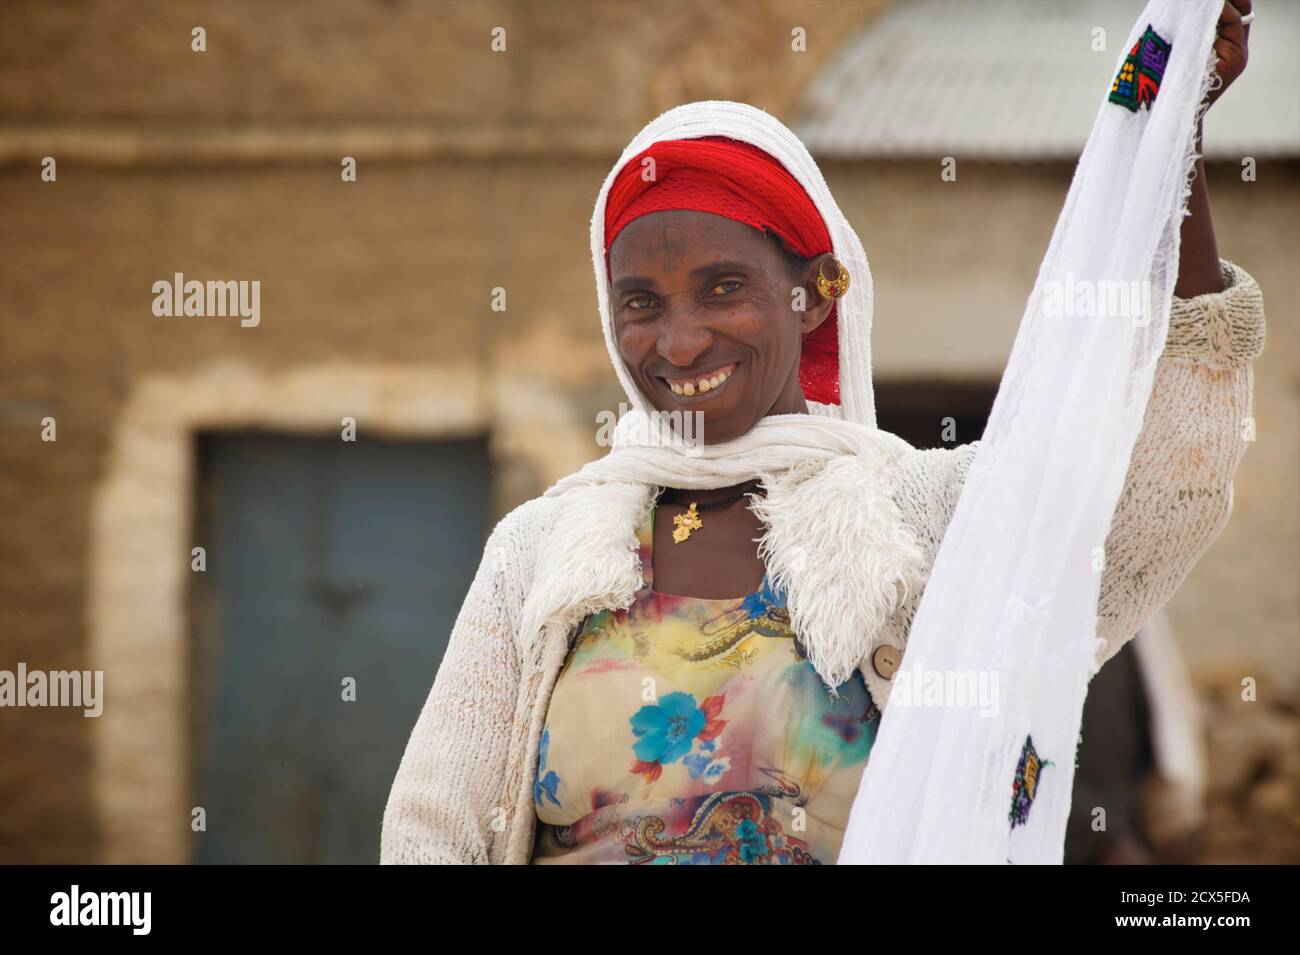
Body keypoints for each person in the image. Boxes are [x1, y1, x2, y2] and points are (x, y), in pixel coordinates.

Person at [382, 1, 1263, 864]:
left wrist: (1170, 137)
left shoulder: (915, 521)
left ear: (814, 297)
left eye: (724, 288)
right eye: (641, 303)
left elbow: (1149, 491)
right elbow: (432, 828)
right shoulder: (541, 554)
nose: (680, 339)